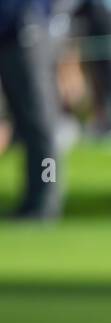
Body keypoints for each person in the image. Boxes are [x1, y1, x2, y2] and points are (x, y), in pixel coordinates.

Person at [0, 0, 62, 218]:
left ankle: (46, 200)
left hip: (27, 32)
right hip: (7, 32)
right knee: (26, 128)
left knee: (41, 126)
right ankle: (32, 201)